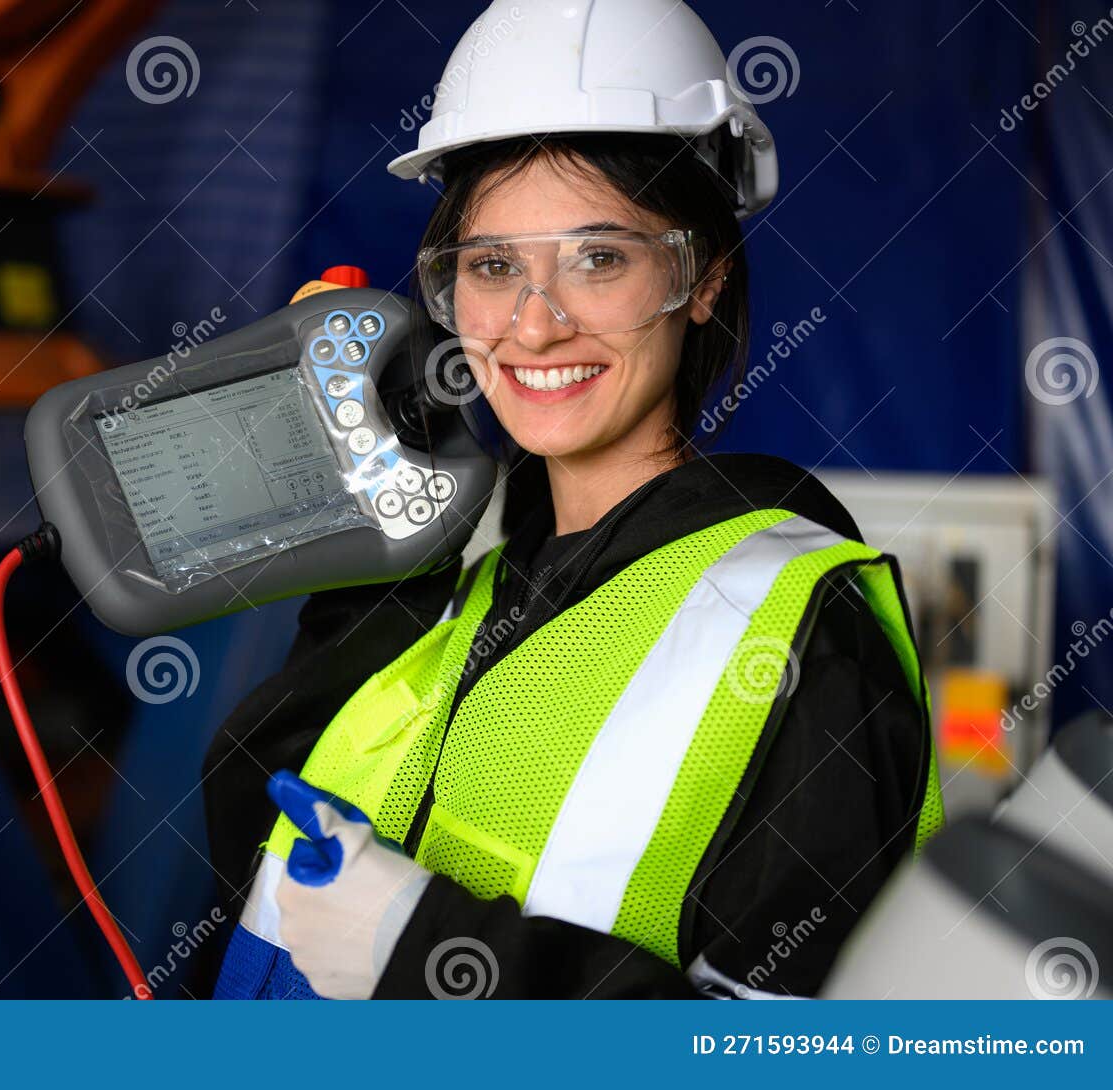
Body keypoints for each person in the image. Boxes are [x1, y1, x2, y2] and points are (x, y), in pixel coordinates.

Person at [202, 0, 941, 1000]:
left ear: (704, 279)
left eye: (599, 258)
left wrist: (430, 953)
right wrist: (371, 554)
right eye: (494, 266)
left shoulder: (803, 636)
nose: (535, 325)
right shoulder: (457, 575)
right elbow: (253, 841)